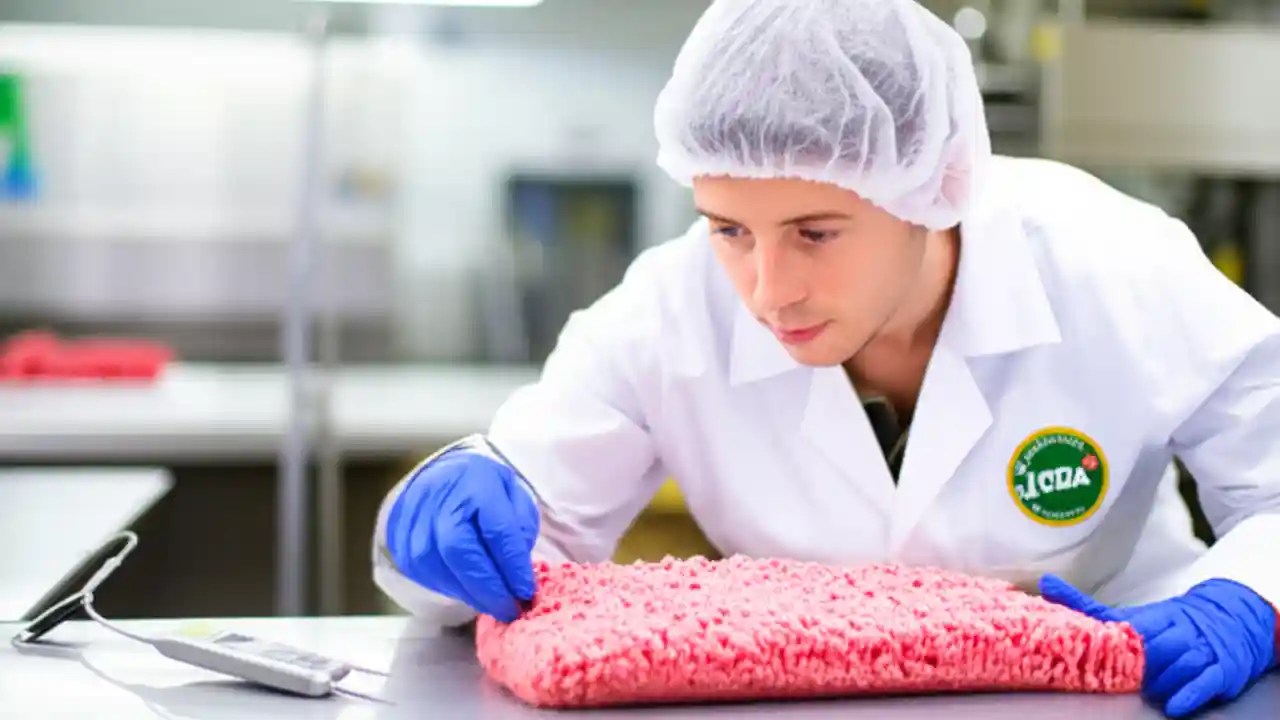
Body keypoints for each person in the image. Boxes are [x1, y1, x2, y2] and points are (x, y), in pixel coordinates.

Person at [372, 0, 1280, 716]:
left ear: (932, 189)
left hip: (1130, 694)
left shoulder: (1112, 264)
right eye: (729, 229)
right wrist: (451, 519)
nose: (769, 291)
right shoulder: (670, 310)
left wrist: (1247, 599)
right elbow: (514, 544)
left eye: (815, 232)